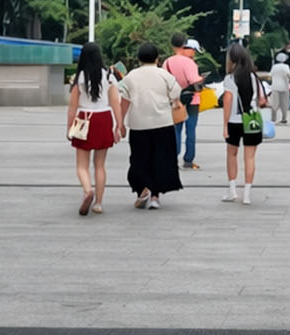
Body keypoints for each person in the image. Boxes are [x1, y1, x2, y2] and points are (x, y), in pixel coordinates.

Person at [117, 40, 183, 209]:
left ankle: (142, 189)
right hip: (162, 123)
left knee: (139, 159)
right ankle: (155, 196)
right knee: (160, 160)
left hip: (139, 125)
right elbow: (176, 94)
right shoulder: (164, 74)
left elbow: (124, 101)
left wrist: (120, 123)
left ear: (139, 58)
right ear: (157, 58)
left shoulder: (131, 76)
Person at [67, 41, 122, 216]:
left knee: (82, 165)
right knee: (100, 165)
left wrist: (69, 127)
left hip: (84, 119)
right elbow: (115, 103)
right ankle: (98, 202)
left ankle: (87, 190)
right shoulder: (109, 77)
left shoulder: (79, 78)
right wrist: (119, 125)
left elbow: (72, 107)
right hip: (104, 118)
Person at [220, 45, 266, 204]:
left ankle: (232, 190)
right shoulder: (254, 77)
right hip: (252, 120)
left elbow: (227, 100)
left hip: (234, 121)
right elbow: (261, 100)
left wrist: (224, 125)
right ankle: (247, 194)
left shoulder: (230, 79)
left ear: (231, 59)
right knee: (250, 157)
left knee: (231, 154)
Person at [164, 34, 204, 170]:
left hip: (175, 101)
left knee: (176, 130)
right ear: (185, 44)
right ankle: (188, 160)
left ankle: (173, 158)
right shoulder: (189, 63)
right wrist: (202, 80)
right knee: (190, 130)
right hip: (192, 100)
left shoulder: (167, 62)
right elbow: (195, 82)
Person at [269, 52, 290, 126]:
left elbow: (270, 75)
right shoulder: (286, 66)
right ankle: (284, 119)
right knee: (284, 104)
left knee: (274, 103)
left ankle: (273, 119)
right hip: (284, 87)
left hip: (275, 87)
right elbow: (289, 75)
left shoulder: (274, 67)